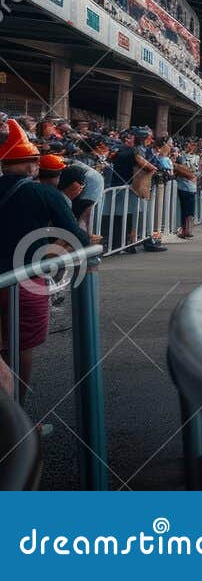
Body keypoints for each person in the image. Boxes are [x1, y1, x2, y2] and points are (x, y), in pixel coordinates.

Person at [0, 121, 97, 428]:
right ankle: (16, 420)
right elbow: (76, 237)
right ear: (31, 165)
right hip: (25, 280)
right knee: (20, 349)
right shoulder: (44, 193)